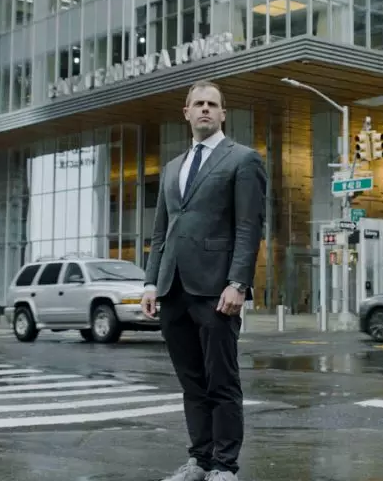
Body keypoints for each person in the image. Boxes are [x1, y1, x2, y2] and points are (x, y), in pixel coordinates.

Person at [141, 80, 267, 481]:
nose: (206, 110)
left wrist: (238, 283)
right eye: (199, 104)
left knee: (222, 382)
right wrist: (150, 283)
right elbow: (161, 232)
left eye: (213, 104)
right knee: (192, 383)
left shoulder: (243, 160)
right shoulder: (172, 168)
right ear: (187, 112)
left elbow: (249, 227)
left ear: (223, 114)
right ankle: (199, 460)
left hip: (216, 290)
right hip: (172, 289)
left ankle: (225, 466)